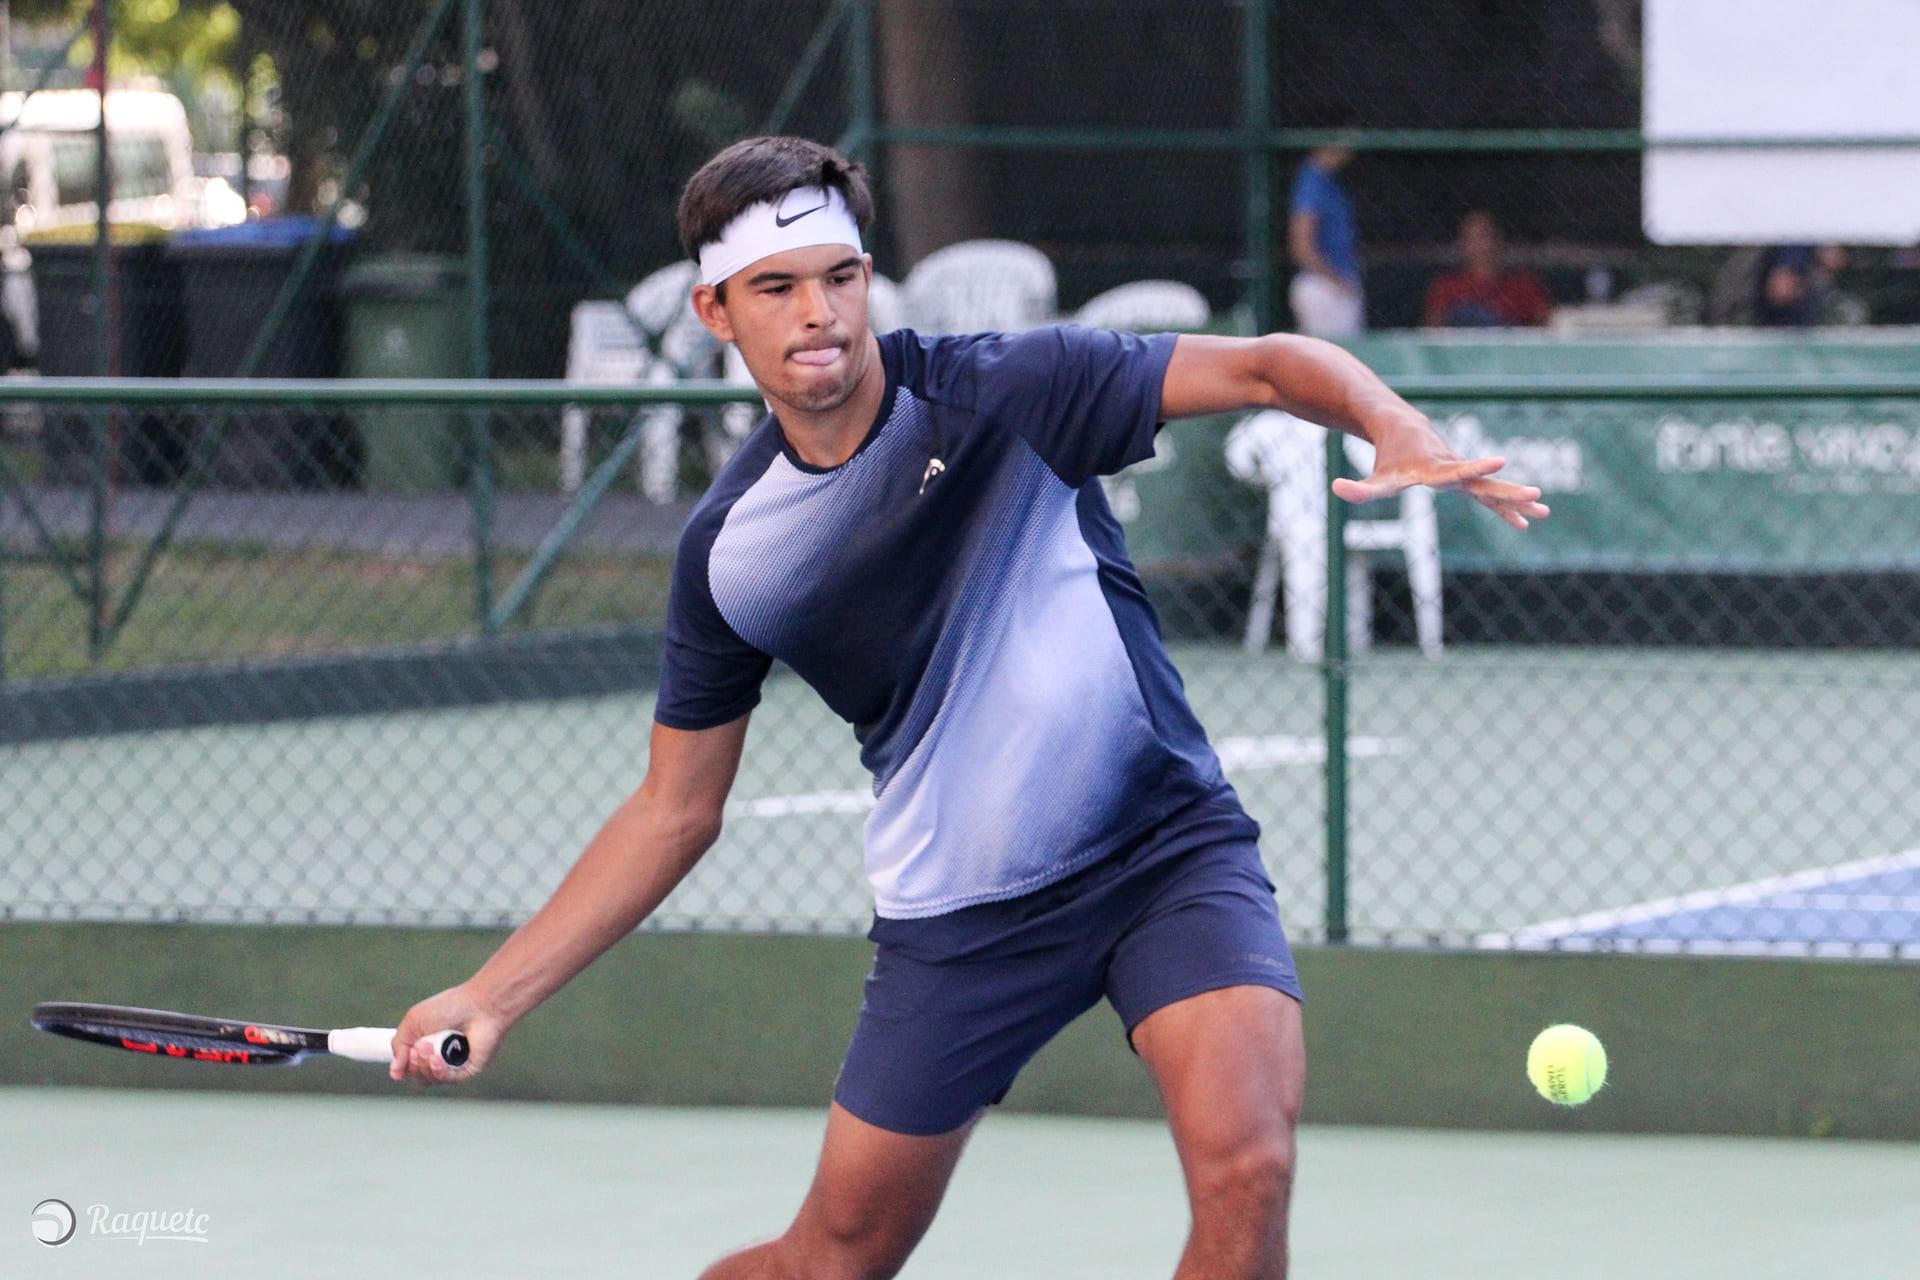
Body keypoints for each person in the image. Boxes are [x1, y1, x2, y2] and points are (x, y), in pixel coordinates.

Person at [389, 135, 1547, 1280]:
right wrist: (490, 995)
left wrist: (1392, 420)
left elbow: (1265, 365)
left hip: (1163, 850)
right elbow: (674, 809)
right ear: (714, 311)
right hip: (962, 913)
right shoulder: (734, 556)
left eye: (840, 278)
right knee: (833, 1259)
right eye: (776, 288)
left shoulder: (1010, 390)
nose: (819, 314)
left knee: (1249, 1168)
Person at [1422, 210, 1552, 328]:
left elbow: (1546, 325)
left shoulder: (1524, 284)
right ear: (1461, 243)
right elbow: (1433, 331)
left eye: (1483, 235)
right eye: (1470, 237)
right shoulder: (1445, 287)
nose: (1477, 244)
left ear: (1498, 239)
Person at [1286, 142, 1364, 338]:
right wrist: (1334, 280)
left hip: (1337, 282)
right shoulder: (1312, 180)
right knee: (1331, 358)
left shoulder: (1329, 180)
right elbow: (1300, 245)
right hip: (1322, 286)